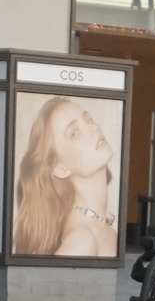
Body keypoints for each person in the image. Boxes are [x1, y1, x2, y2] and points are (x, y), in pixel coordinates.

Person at [13, 95, 118, 257]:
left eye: (89, 120)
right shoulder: (82, 240)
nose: (93, 128)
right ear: (60, 168)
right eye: (74, 133)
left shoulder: (101, 222)